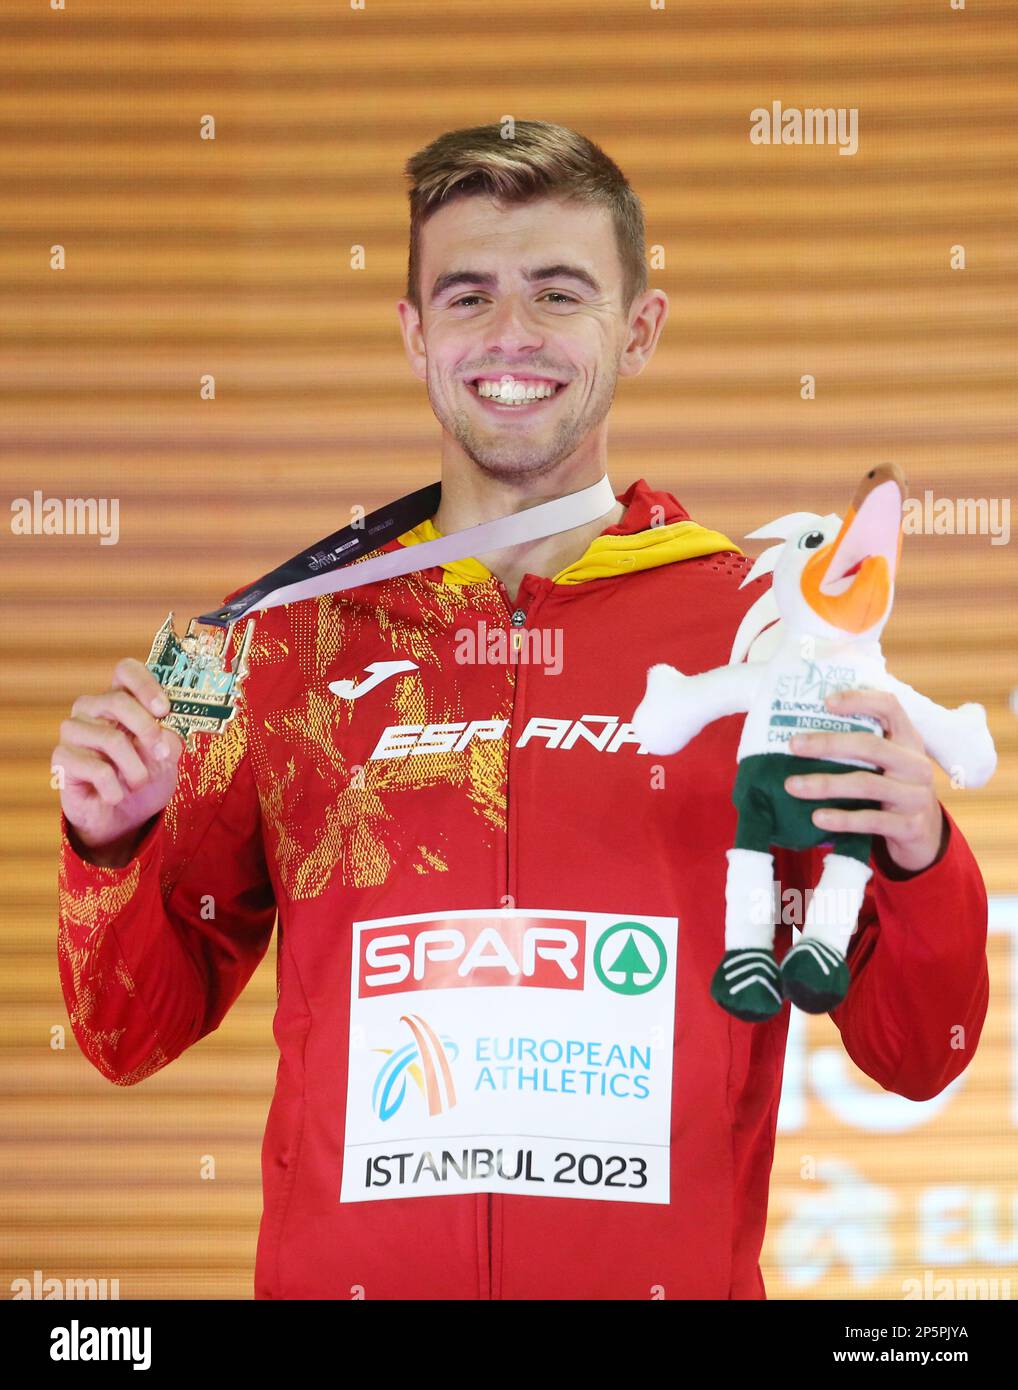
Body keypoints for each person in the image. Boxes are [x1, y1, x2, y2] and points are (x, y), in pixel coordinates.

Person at [53, 121, 989, 1300]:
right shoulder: (284, 643)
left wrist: (913, 856)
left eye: (559, 293)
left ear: (637, 329)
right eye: (468, 296)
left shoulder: (757, 628)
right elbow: (124, 1033)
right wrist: (115, 842)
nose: (511, 336)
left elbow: (916, 1057)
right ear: (413, 334)